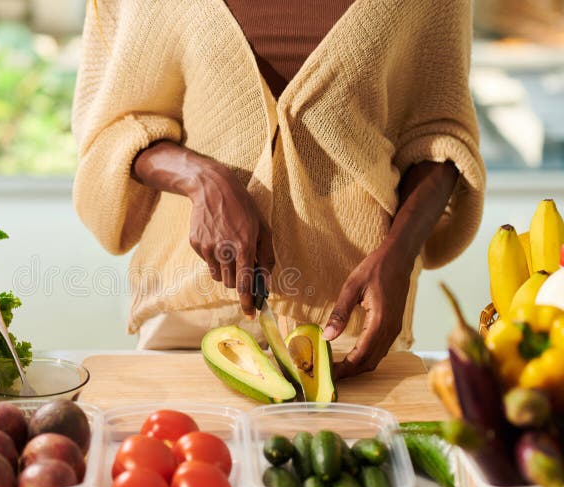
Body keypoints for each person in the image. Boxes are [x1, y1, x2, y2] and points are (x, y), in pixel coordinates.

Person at [72, 0, 485, 378]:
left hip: (350, 313)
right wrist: (201, 178)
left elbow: (439, 135)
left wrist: (398, 254)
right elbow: (115, 126)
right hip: (190, 305)